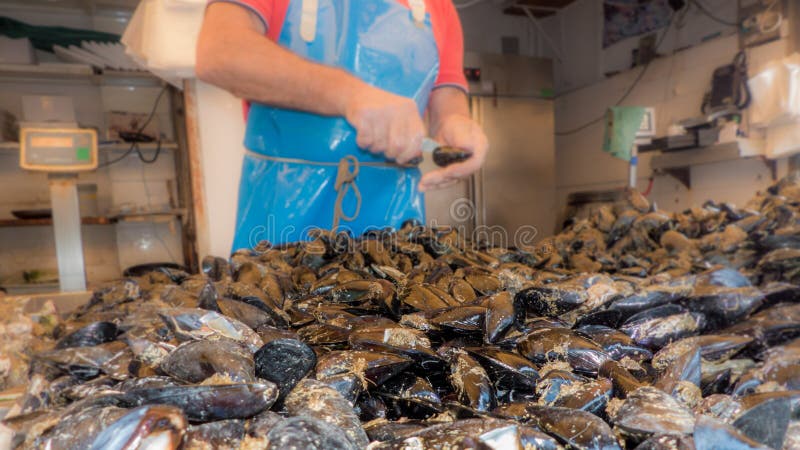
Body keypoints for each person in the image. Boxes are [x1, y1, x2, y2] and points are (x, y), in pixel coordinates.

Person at [196, 0, 488, 251]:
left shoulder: (438, 5)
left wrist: (457, 124)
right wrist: (350, 94)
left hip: (394, 217)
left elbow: (447, 100)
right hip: (281, 213)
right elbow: (220, 52)